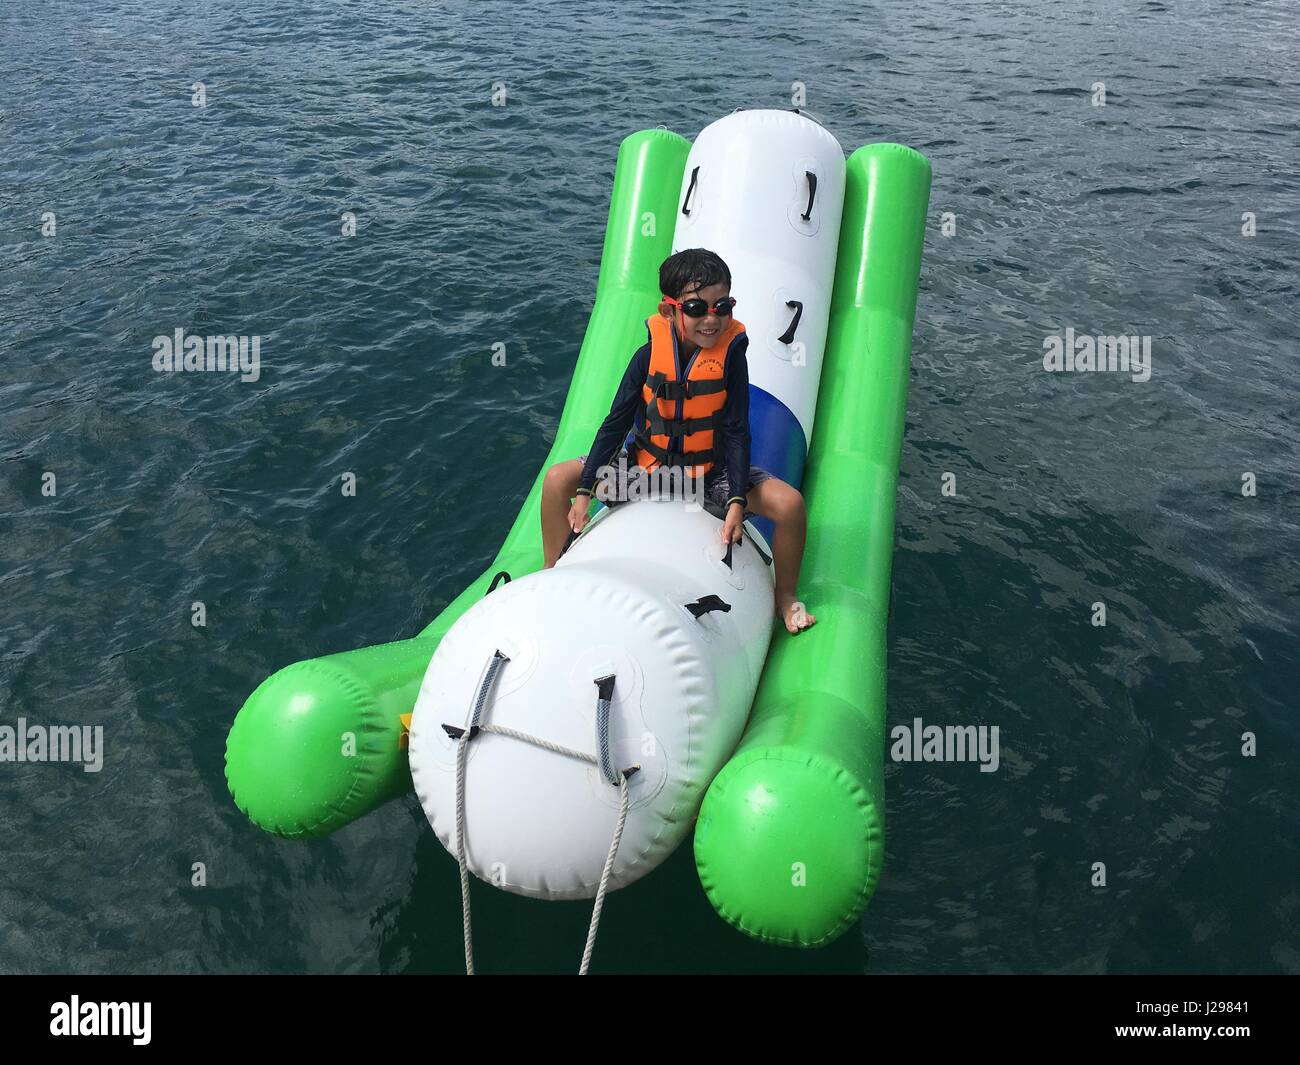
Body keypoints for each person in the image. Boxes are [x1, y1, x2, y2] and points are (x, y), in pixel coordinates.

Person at [540, 248, 815, 635]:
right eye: (696, 308)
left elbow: (737, 430)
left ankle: (784, 596)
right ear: (669, 311)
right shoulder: (648, 356)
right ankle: (552, 570)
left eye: (722, 307)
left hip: (708, 474)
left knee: (790, 505)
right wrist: (585, 488)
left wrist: (736, 498)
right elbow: (616, 422)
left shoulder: (732, 358)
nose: (711, 319)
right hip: (644, 470)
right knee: (557, 480)